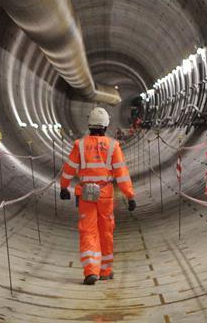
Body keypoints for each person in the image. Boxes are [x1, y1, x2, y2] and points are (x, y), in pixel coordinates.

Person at [59, 107, 136, 285]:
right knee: (106, 231)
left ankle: (90, 271)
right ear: (106, 126)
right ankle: (105, 271)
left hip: (86, 193)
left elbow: (69, 168)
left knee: (88, 231)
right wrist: (129, 195)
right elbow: (121, 173)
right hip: (105, 194)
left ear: (89, 125)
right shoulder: (113, 146)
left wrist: (64, 187)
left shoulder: (80, 144)